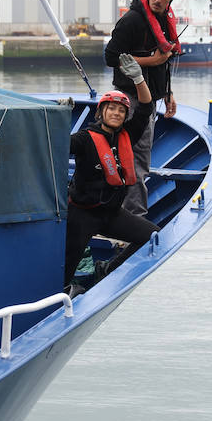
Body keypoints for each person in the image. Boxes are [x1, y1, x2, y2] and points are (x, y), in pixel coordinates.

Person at [64, 53, 159, 292]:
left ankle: (107, 269)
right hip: (81, 215)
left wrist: (138, 79)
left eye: (120, 110)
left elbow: (146, 106)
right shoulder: (85, 139)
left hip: (112, 214)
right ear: (101, 113)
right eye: (111, 109)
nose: (116, 113)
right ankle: (65, 295)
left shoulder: (128, 135)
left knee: (154, 236)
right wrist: (59, 118)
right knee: (64, 271)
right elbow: (56, 146)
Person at [103, 0, 182, 217]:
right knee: (134, 159)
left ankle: (126, 214)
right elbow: (111, 57)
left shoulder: (163, 20)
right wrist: (151, 61)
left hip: (151, 99)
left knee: (136, 158)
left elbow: (164, 61)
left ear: (171, 0)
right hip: (132, 101)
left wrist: (167, 92)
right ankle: (134, 217)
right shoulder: (132, 21)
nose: (159, 0)